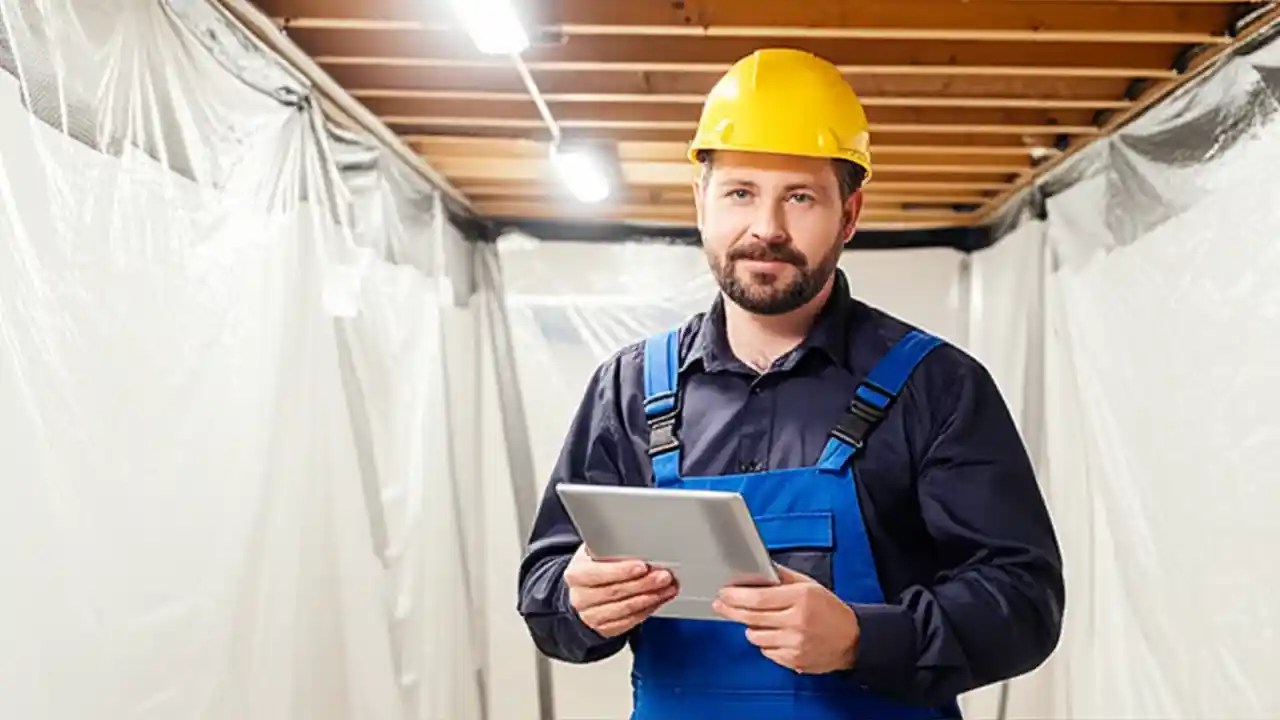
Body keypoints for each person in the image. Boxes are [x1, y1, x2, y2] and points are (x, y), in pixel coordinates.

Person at [516, 48, 1064, 719]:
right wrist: (577, 601)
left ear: (850, 214)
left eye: (799, 197)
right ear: (702, 202)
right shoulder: (628, 390)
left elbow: (1024, 599)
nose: (766, 228)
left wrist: (865, 639)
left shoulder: (937, 387)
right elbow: (545, 589)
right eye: (740, 192)